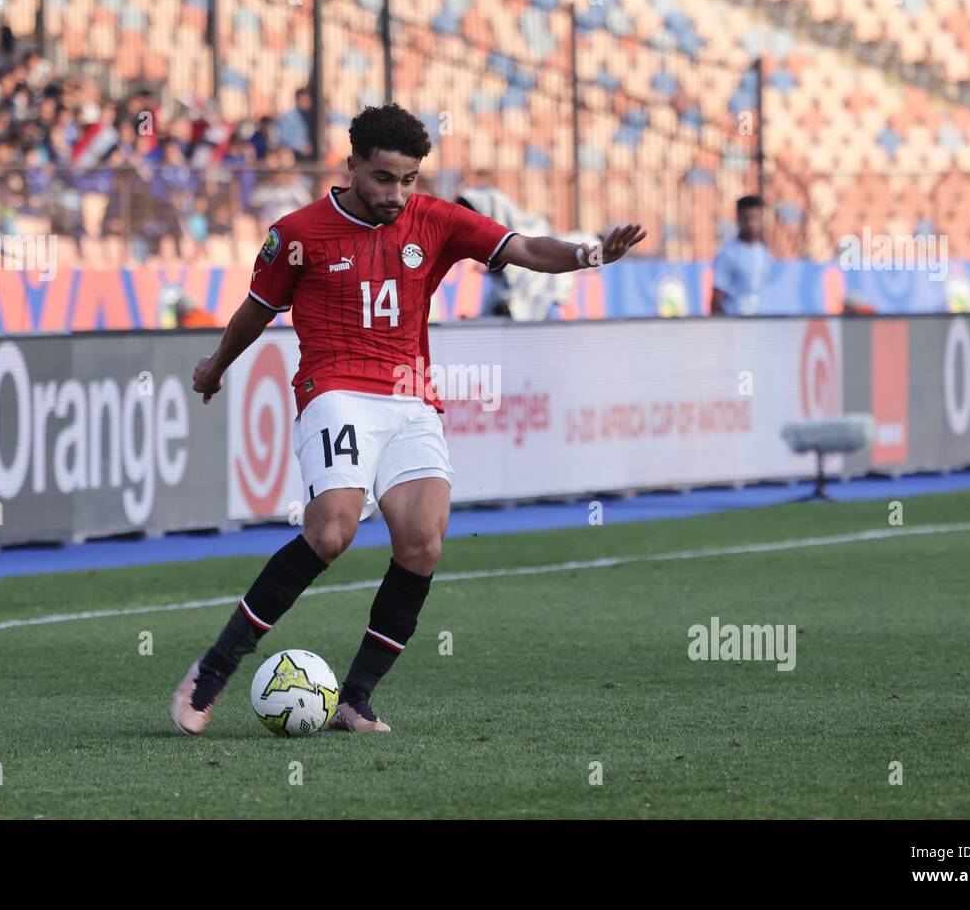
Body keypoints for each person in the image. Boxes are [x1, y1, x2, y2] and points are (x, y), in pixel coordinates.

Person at [170, 103, 646, 735]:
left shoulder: (437, 221)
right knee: (332, 532)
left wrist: (590, 255)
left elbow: (524, 246)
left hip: (411, 395)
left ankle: (355, 697)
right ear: (351, 167)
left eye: (409, 180)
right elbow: (255, 311)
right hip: (336, 389)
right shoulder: (298, 233)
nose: (397, 194)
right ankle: (215, 668)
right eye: (383, 178)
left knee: (422, 542)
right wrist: (215, 365)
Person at [710, 194, 769, 316]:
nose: (751, 224)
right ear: (738, 219)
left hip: (759, 322)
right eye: (746, 219)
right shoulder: (728, 254)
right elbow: (716, 298)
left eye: (755, 219)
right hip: (735, 323)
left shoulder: (762, 252)